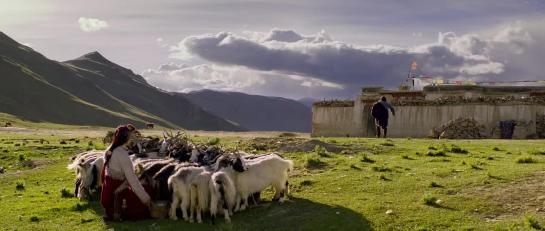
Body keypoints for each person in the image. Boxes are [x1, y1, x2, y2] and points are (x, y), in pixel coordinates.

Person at [100, 124, 152, 221]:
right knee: (148, 189)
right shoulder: (122, 155)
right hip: (118, 191)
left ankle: (110, 212)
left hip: (108, 192)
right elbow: (132, 180)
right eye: (130, 136)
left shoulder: (109, 151)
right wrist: (146, 198)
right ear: (126, 138)